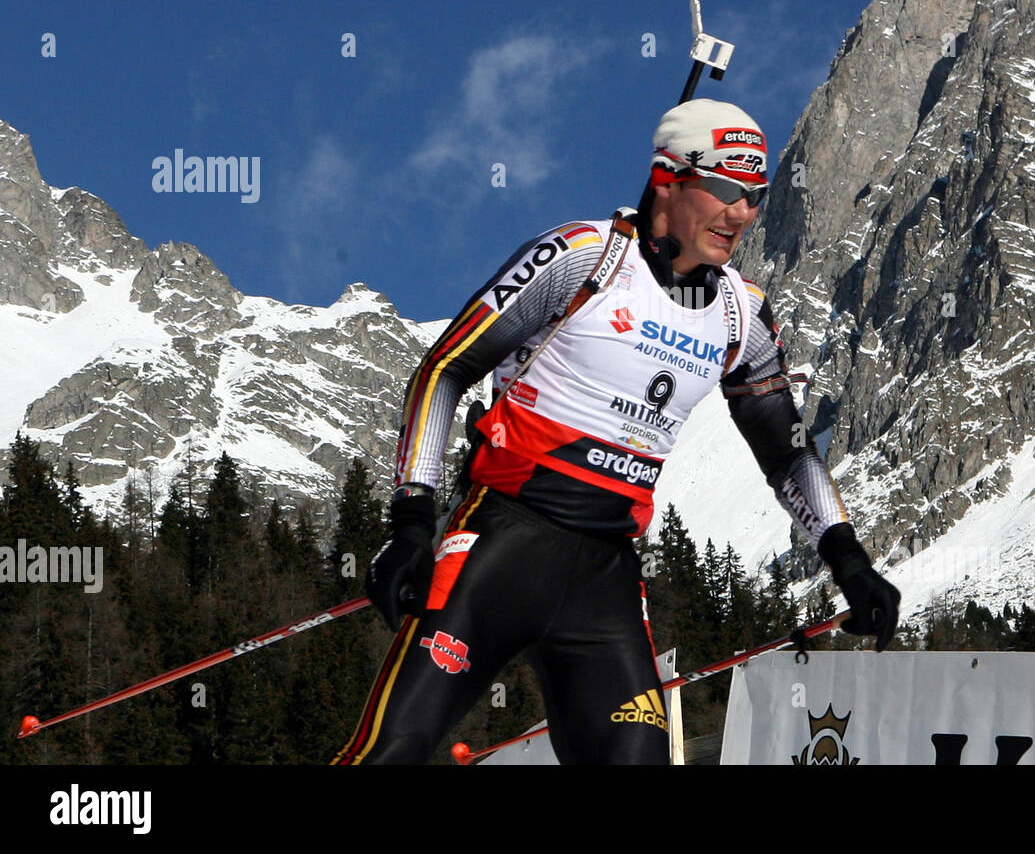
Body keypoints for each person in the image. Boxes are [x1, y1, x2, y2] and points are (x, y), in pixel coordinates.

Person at [332, 98, 900, 765]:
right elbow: (446, 368)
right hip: (500, 543)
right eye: (723, 189)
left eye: (754, 195)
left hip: (603, 582)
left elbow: (788, 453)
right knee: (393, 749)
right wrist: (411, 519)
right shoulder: (583, 258)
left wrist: (849, 558)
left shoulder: (742, 316)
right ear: (668, 178)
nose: (741, 213)